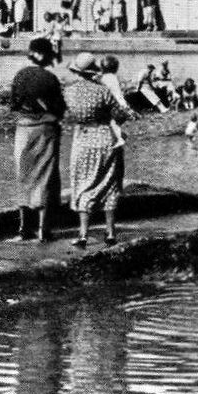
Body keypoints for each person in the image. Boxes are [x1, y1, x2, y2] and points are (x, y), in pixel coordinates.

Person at [64, 52, 128, 248]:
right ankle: (110, 232)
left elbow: (67, 114)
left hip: (82, 139)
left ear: (77, 71)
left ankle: (83, 235)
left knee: (83, 185)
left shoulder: (68, 92)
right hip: (104, 138)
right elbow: (119, 115)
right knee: (109, 184)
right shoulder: (103, 91)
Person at [10, 37, 67, 243]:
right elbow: (59, 107)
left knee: (23, 175)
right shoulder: (50, 78)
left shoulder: (20, 76)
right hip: (46, 129)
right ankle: (44, 229)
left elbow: (14, 104)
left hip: (23, 128)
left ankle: (23, 228)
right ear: (43, 55)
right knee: (45, 176)